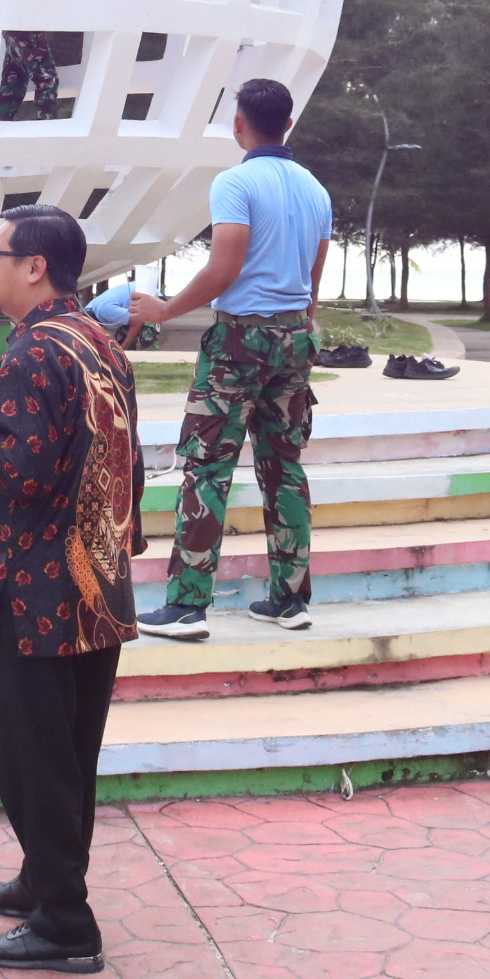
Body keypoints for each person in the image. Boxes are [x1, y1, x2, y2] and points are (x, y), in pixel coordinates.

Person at [0, 203, 145, 974]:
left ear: (34, 266)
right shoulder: (98, 340)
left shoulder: (36, 350)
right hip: (96, 589)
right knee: (68, 754)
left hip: (36, 596)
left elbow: (18, 473)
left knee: (31, 761)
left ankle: (66, 924)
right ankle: (42, 880)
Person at [129, 77, 333, 638]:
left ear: (238, 124)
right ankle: (289, 600)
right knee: (284, 468)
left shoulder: (235, 183)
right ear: (288, 123)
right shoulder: (316, 189)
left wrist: (164, 311)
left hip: (239, 341)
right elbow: (313, 279)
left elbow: (225, 269)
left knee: (207, 467)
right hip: (294, 337)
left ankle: (187, 606)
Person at [83, 277, 160, 350]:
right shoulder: (89, 307)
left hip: (153, 298)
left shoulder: (105, 310)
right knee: (124, 332)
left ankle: (154, 357)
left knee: (146, 331)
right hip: (141, 296)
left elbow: (137, 321)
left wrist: (123, 347)